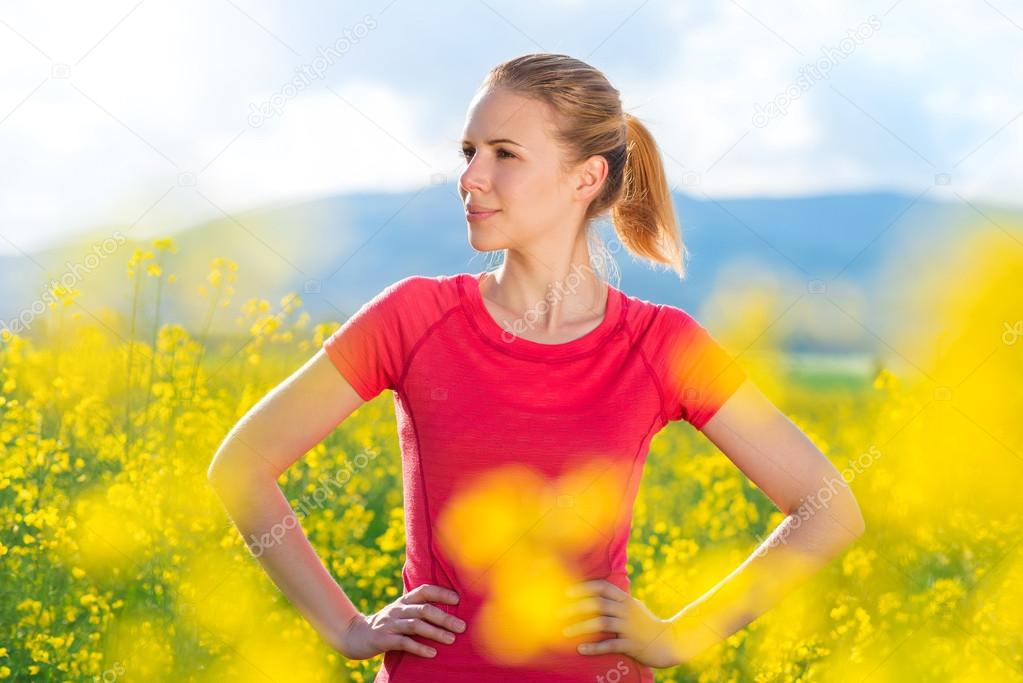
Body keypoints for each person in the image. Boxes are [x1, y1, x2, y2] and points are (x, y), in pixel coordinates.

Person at [207, 53, 865, 682]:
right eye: (468, 152)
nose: (469, 177)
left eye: (504, 154)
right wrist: (346, 627)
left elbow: (828, 509)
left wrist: (678, 635)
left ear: (585, 178)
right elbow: (240, 466)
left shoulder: (661, 344)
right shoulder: (411, 317)